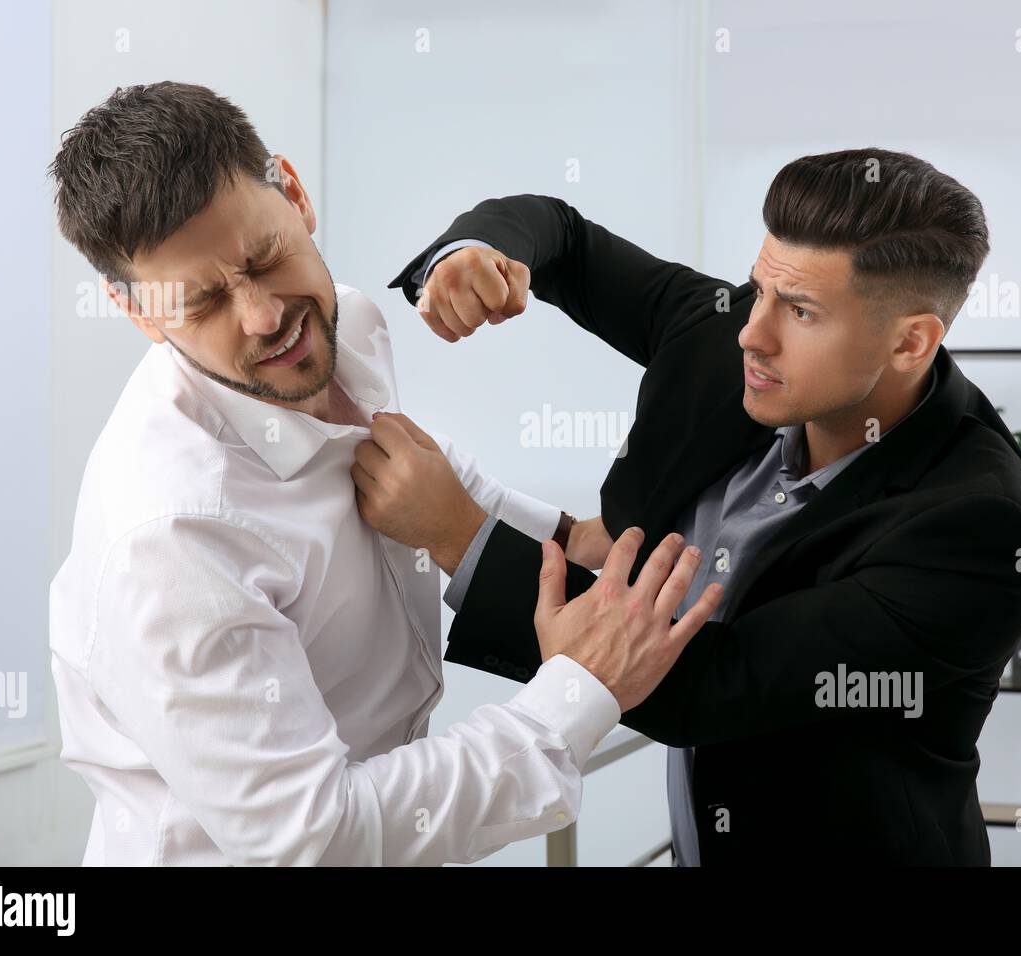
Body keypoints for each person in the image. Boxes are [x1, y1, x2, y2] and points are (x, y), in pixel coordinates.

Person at [47, 81, 718, 866]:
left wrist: (573, 543)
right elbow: (318, 838)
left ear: (294, 194)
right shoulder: (171, 536)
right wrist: (575, 691)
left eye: (265, 258)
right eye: (203, 305)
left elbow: (413, 473)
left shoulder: (342, 325)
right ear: (140, 315)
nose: (265, 317)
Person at [372, 152, 1021, 865]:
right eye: (761, 290)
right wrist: (477, 253)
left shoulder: (977, 527)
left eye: (802, 312)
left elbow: (705, 683)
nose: (753, 333)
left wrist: (455, 535)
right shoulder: (733, 339)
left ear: (911, 341)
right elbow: (563, 238)